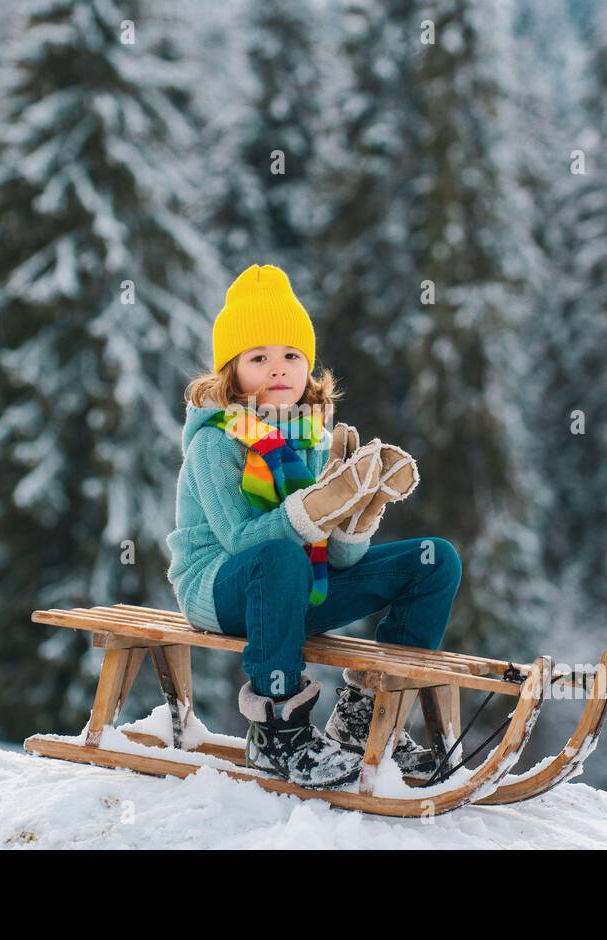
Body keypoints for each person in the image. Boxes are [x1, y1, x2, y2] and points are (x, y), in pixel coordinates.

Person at [165, 263, 463, 788]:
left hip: (301, 586)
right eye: (259, 357)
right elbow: (240, 543)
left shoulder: (314, 438)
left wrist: (356, 513)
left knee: (434, 560)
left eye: (291, 356)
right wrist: (315, 508)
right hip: (219, 588)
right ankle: (277, 734)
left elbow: (340, 559)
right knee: (278, 556)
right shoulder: (217, 441)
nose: (278, 368)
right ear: (230, 372)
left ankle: (366, 713)